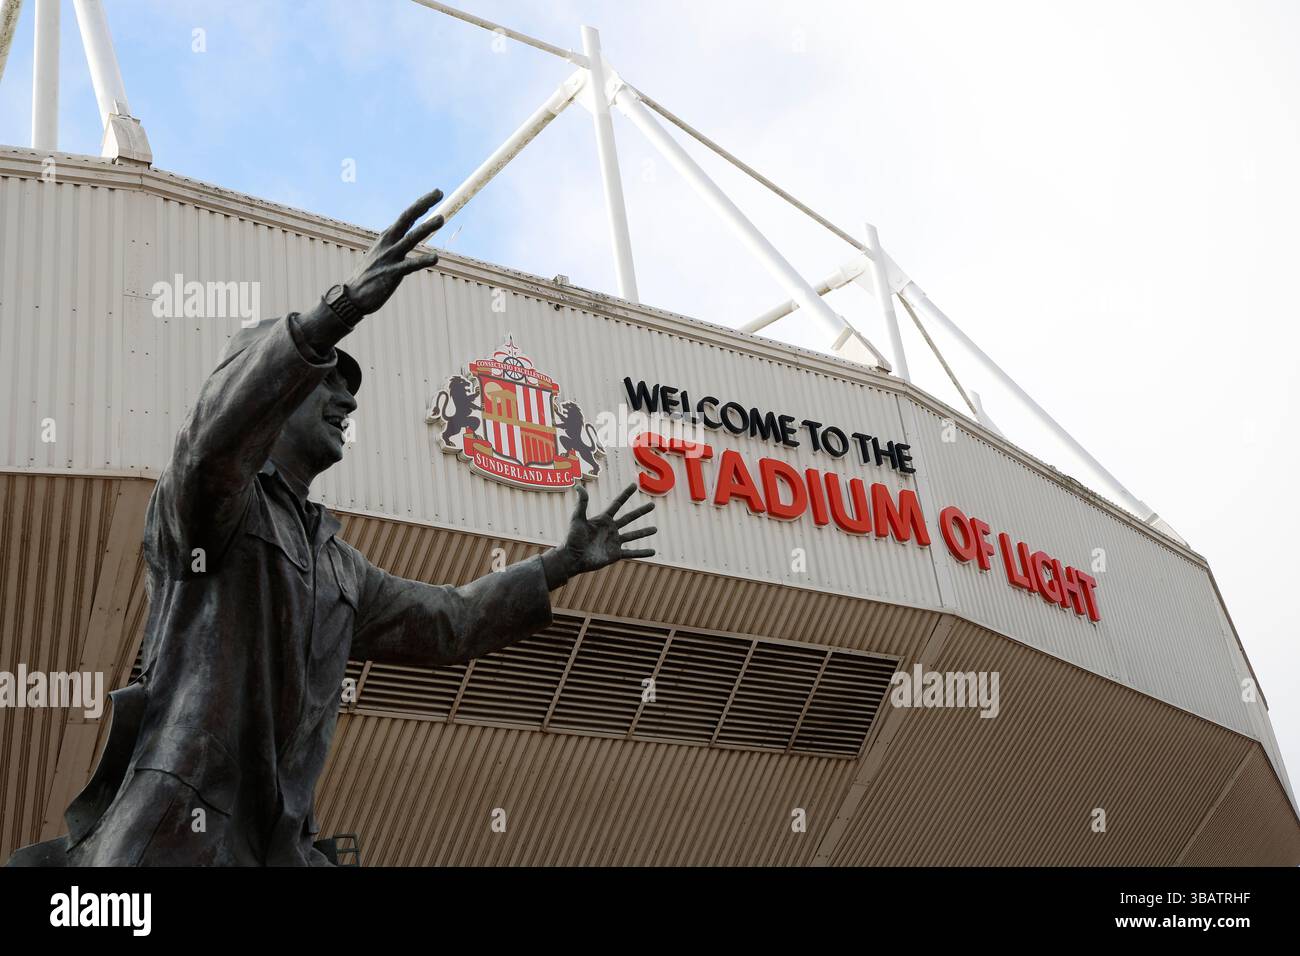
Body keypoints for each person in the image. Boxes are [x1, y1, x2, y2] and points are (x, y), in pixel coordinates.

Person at [6, 189, 657, 866]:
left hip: (275, 840)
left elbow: (450, 620)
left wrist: (558, 565)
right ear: (276, 395)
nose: (347, 398)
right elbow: (210, 444)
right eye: (327, 383)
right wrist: (334, 316)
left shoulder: (338, 563)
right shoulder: (211, 505)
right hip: (176, 832)